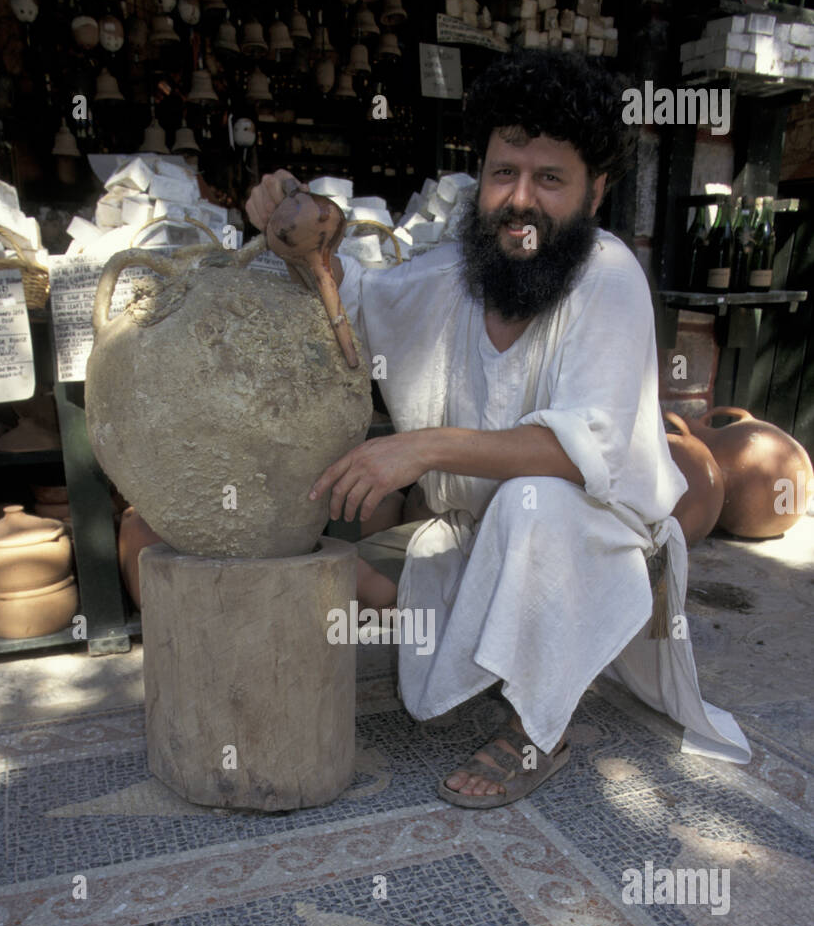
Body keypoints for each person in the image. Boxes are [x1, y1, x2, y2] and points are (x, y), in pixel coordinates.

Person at [246, 50, 750, 809]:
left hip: (596, 538)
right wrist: (300, 229)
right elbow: (355, 296)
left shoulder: (607, 274)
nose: (519, 201)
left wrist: (419, 446)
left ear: (594, 192)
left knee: (531, 501)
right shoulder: (456, 272)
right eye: (502, 173)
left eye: (548, 180)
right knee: (406, 562)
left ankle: (535, 728)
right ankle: (461, 631)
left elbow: (581, 451)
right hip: (487, 533)